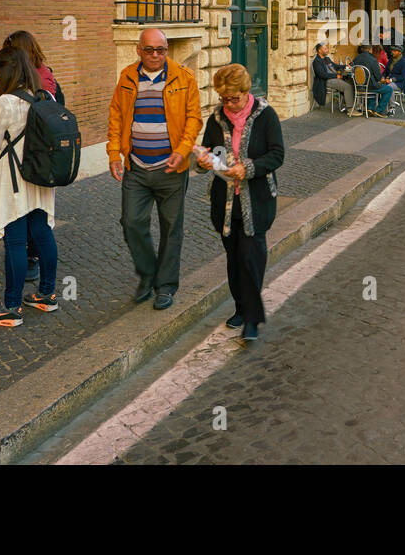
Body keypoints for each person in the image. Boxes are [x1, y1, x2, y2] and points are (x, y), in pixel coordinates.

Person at [107, 27, 204, 310]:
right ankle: (148, 273)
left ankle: (165, 286)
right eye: (148, 50)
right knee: (131, 222)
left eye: (160, 50)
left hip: (171, 168)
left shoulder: (183, 77)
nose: (155, 55)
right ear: (139, 50)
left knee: (172, 228)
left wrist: (182, 150)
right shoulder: (127, 76)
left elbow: (193, 119)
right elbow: (116, 116)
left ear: (166, 50)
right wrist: (114, 152)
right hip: (136, 167)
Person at [0, 46, 61, 327]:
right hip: (39, 177)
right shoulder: (42, 96)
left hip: (14, 180)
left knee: (15, 242)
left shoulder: (5, 102)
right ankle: (46, 294)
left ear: (6, 71)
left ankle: (11, 307)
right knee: (42, 233)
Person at [194, 64, 285, 342]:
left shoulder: (266, 115)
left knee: (251, 259)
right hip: (224, 204)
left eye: (234, 98)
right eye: (224, 98)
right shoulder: (217, 117)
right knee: (234, 260)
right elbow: (210, 151)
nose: (229, 103)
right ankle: (240, 308)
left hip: (256, 202)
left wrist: (248, 168)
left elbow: (277, 155)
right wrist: (202, 161)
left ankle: (253, 318)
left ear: (246, 92)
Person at [352, 44, 395, 116]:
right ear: (370, 49)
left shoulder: (356, 58)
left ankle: (370, 108)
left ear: (362, 49)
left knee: (373, 86)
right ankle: (379, 110)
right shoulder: (373, 60)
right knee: (388, 90)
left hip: (358, 86)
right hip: (370, 86)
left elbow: (351, 68)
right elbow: (378, 77)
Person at [312, 42, 354, 112]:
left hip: (333, 78)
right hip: (325, 81)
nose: (327, 50)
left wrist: (346, 66)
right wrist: (336, 76)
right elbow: (322, 74)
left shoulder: (327, 59)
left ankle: (348, 104)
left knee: (351, 82)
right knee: (347, 87)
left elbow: (336, 67)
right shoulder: (317, 61)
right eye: (325, 49)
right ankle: (350, 109)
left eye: (327, 48)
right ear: (319, 51)